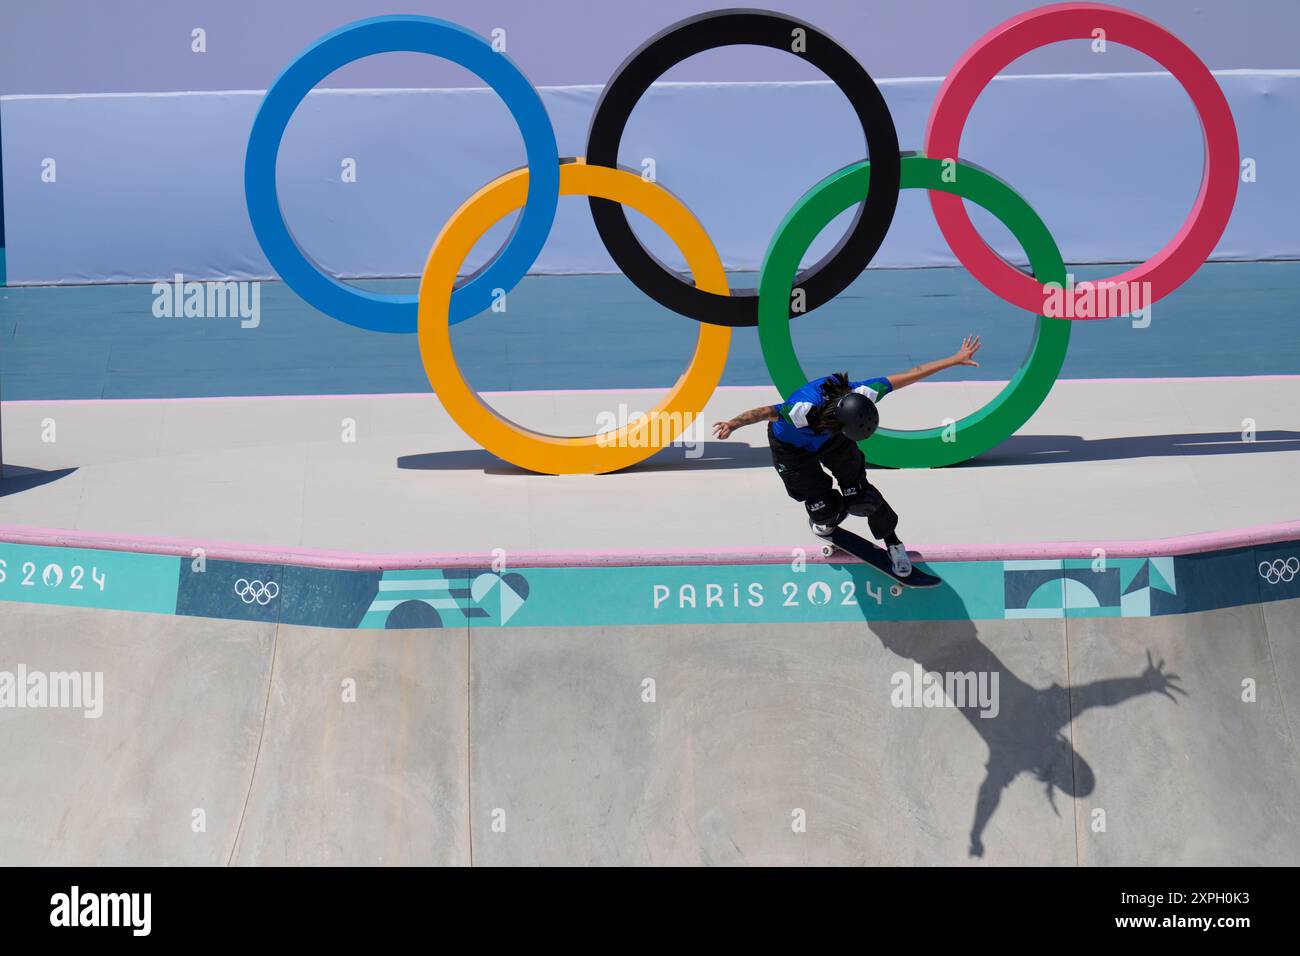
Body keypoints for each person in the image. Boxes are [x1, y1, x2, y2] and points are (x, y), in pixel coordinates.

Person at [712, 336, 982, 577]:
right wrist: (732, 424)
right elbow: (763, 412)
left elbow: (910, 374)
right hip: (791, 449)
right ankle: (825, 520)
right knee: (823, 507)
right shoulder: (802, 410)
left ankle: (893, 543)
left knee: (862, 497)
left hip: (832, 438)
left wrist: (954, 359)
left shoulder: (861, 394)